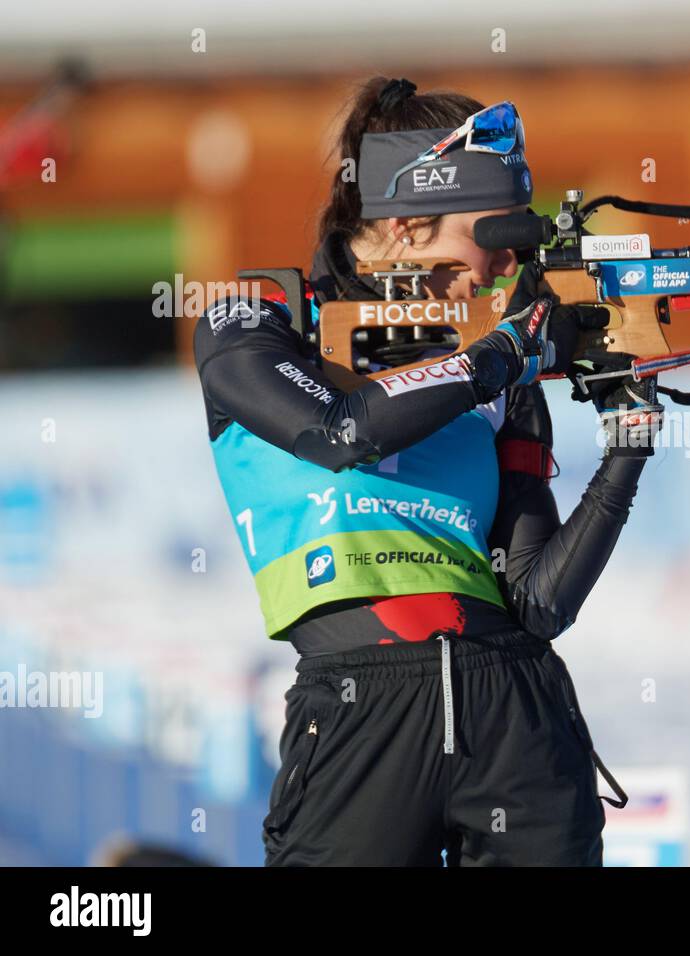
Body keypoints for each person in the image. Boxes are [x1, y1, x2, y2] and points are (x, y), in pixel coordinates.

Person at [192, 77, 660, 865]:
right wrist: (498, 357)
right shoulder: (260, 321)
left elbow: (538, 602)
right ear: (405, 224)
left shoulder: (500, 370)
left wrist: (628, 442)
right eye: (493, 237)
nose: (505, 266)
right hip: (356, 715)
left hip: (517, 713)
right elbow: (339, 432)